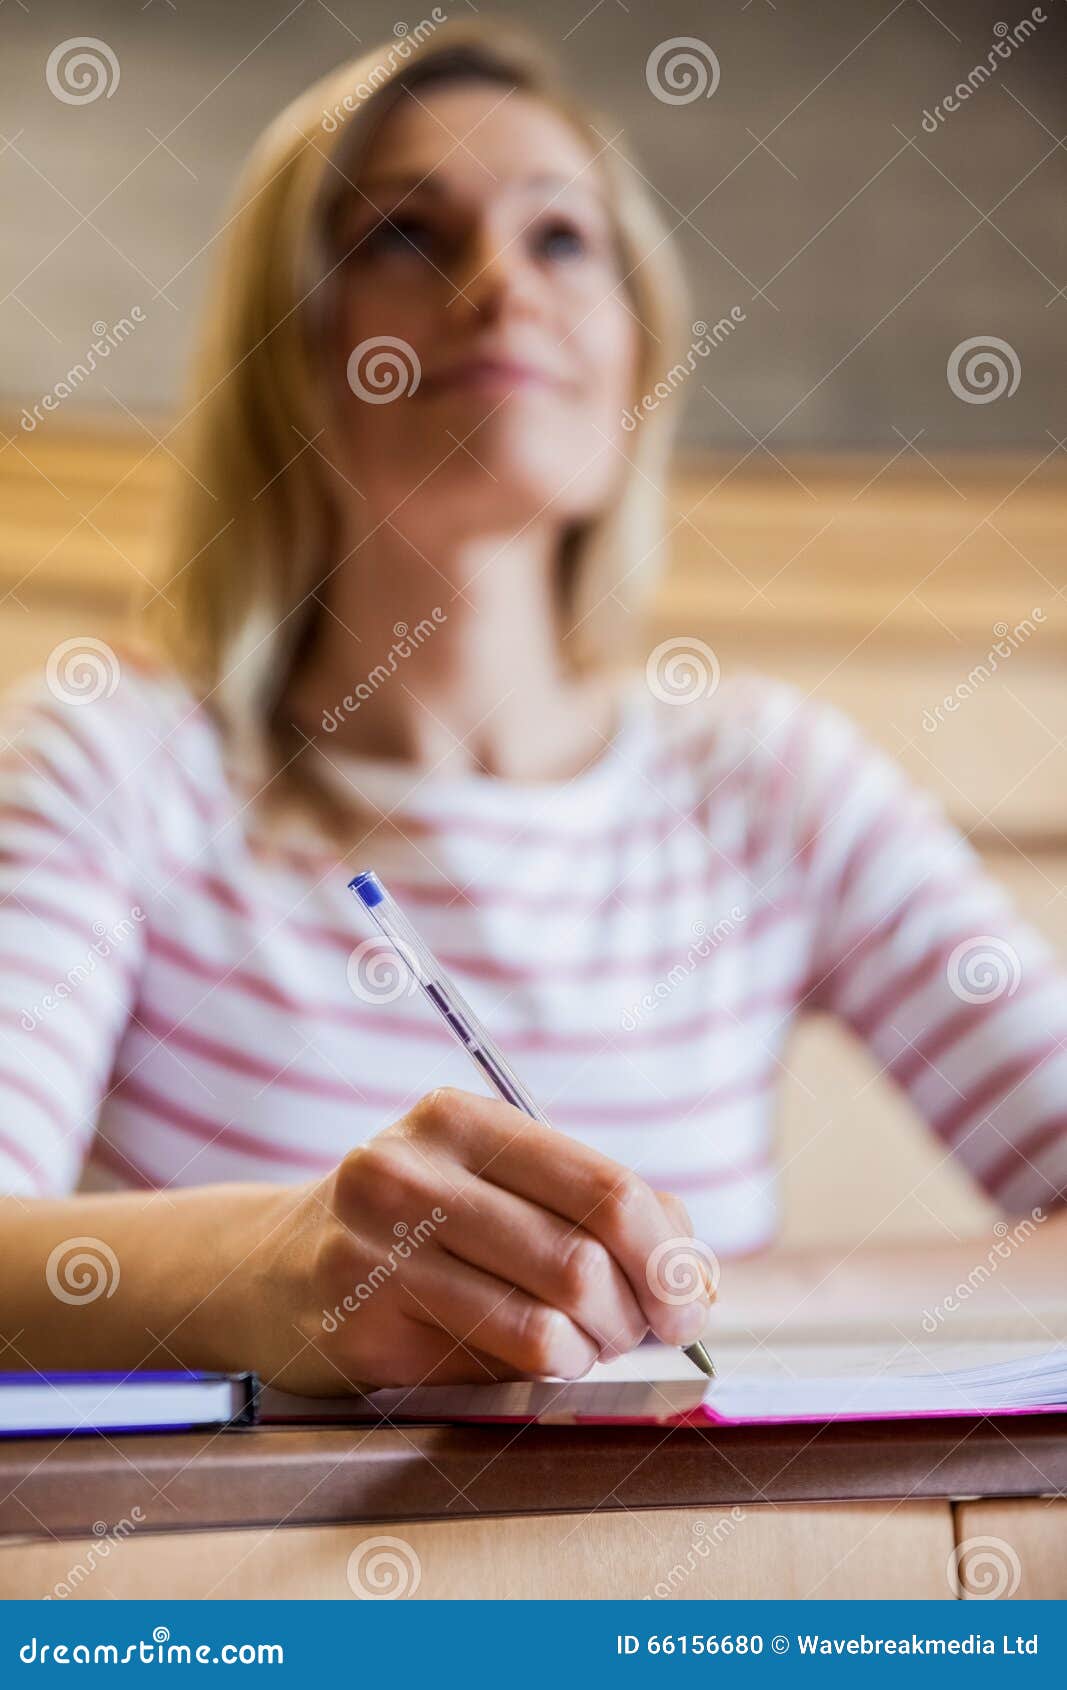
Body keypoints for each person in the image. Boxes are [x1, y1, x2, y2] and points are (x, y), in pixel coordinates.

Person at [1, 23, 1064, 1395]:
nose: (499, 282)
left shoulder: (773, 781)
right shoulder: (114, 766)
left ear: (637, 350)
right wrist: (287, 1263)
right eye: (404, 235)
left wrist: (684, 1291)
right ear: (289, 346)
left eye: (562, 236)